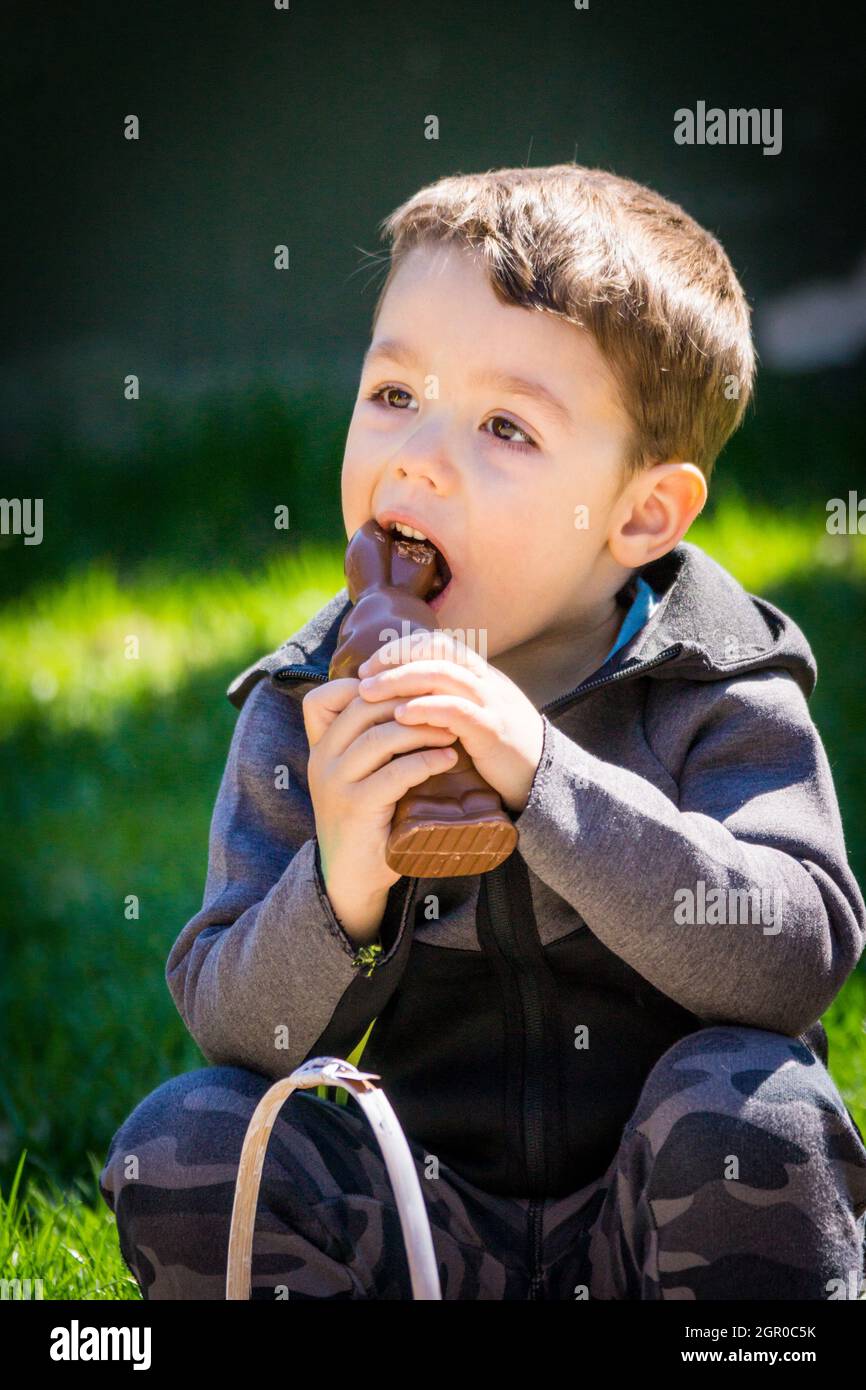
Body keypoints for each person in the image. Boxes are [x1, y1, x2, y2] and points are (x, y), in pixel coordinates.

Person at [99, 163, 866, 1300]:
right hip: (425, 1223)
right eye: (394, 393)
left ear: (638, 514)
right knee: (187, 1139)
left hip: (652, 1223)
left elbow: (789, 959)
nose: (416, 456)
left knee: (755, 1112)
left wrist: (547, 782)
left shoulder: (717, 684)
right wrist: (341, 884)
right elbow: (234, 1026)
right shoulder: (309, 704)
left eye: (505, 425)